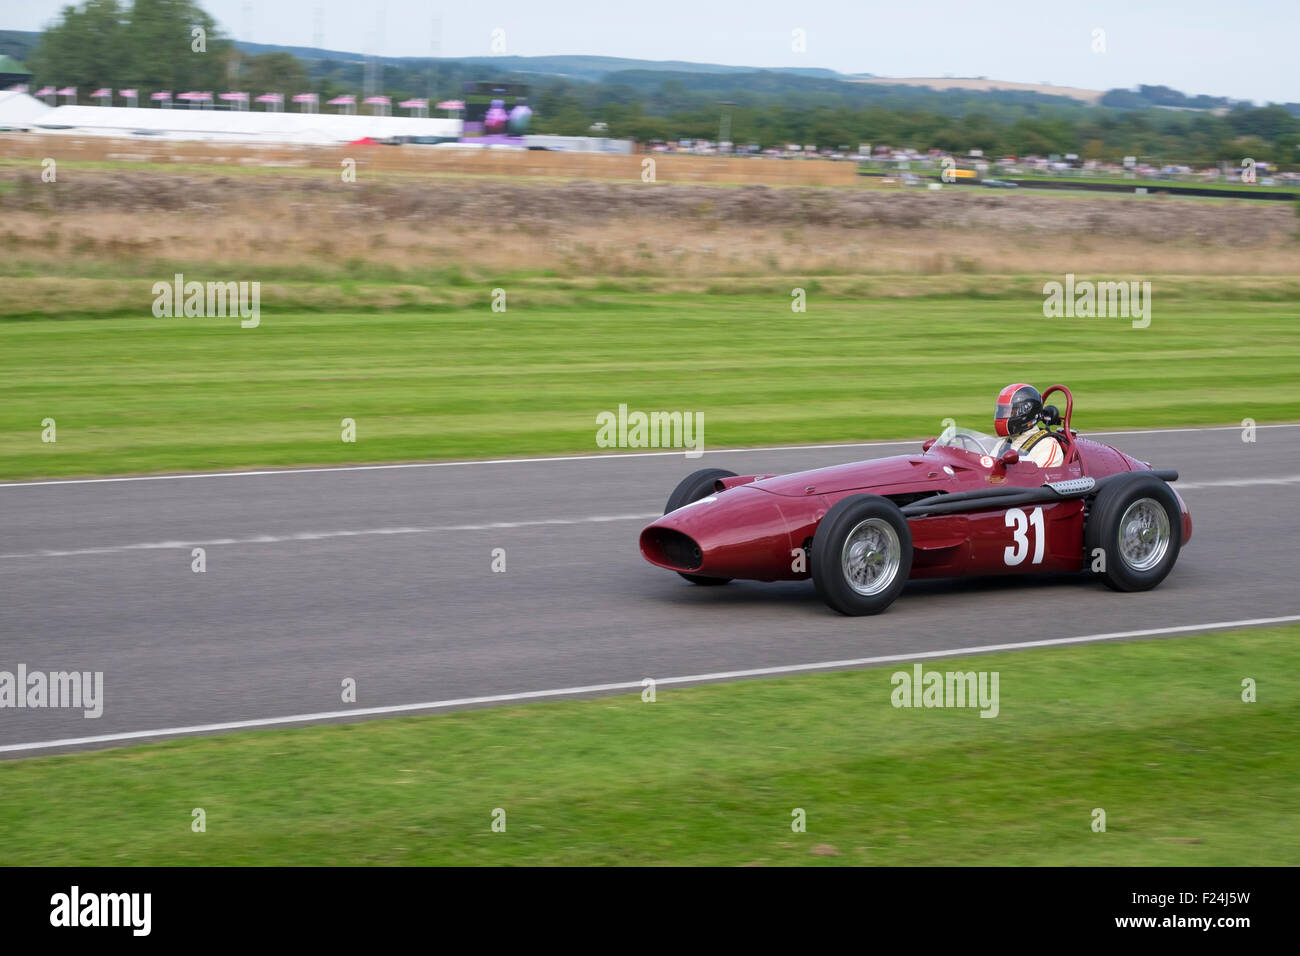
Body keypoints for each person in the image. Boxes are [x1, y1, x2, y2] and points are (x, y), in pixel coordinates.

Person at [993, 383, 1064, 468]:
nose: (1004, 415)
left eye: (1008, 411)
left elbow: (1039, 478)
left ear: (1026, 412)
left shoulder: (1046, 446)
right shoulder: (1002, 443)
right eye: (1002, 411)